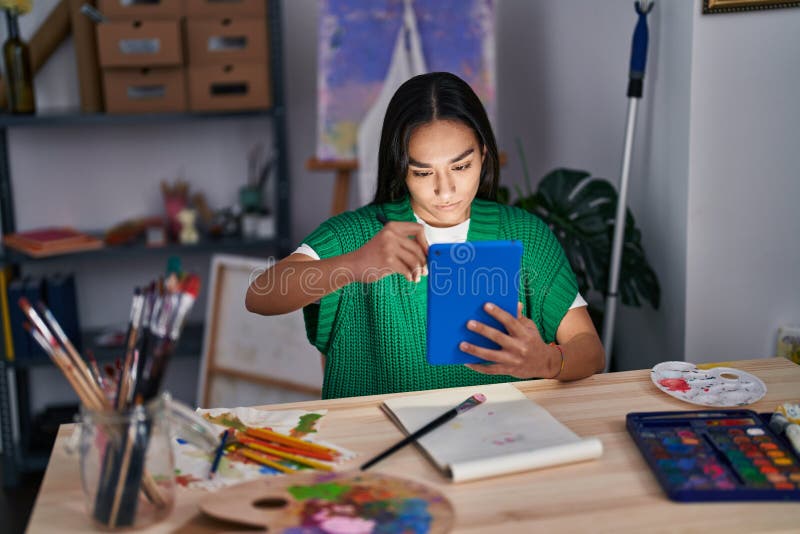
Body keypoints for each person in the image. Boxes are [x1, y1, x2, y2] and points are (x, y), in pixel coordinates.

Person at [246, 72, 605, 399]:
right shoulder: (358, 235)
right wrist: (356, 264)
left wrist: (546, 361)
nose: (445, 190)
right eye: (422, 173)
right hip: (378, 445)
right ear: (401, 170)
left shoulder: (524, 235)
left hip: (499, 443)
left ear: (484, 153)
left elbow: (589, 349)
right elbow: (260, 294)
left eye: (461, 166)